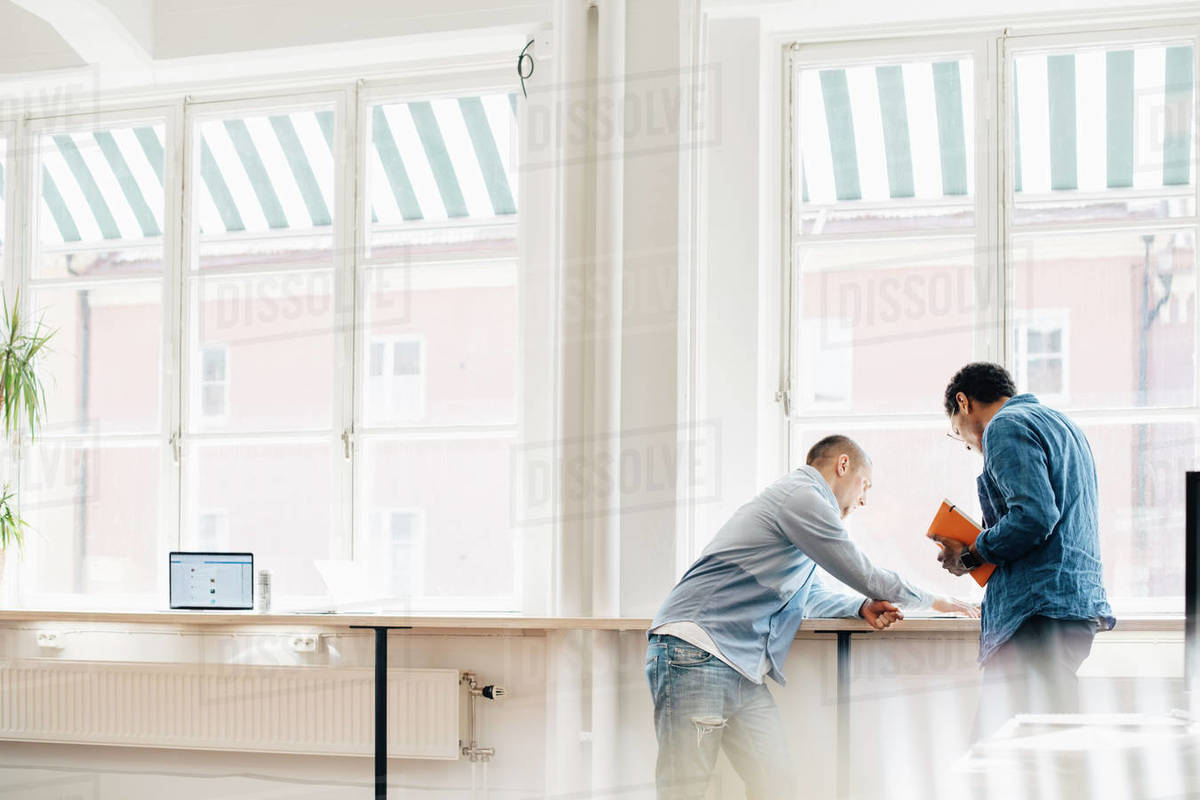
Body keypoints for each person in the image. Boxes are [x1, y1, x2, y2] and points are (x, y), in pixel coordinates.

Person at [646, 434, 975, 799]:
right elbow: (862, 572)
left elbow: (808, 595)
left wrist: (860, 607)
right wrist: (936, 600)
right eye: (865, 486)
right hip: (696, 651)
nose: (864, 499)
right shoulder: (801, 496)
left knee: (777, 784)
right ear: (843, 465)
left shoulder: (798, 515)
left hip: (738, 665)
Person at [930, 362, 1115, 741]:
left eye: (957, 432)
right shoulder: (1062, 425)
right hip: (1068, 607)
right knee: (1046, 755)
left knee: (996, 758)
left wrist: (969, 555)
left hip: (1037, 614)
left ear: (963, 402)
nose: (966, 443)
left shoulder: (1005, 426)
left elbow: (1033, 517)